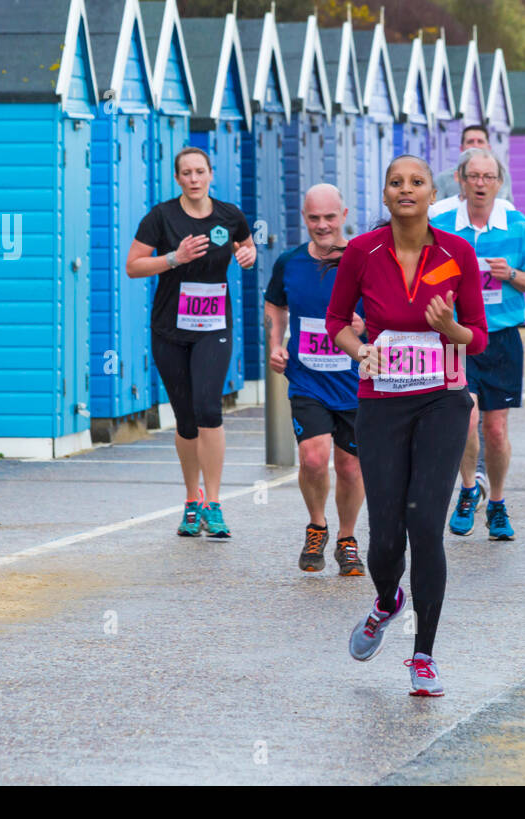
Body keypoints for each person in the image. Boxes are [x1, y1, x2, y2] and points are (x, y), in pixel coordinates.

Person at [329, 155, 487, 697]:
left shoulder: (457, 252)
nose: (406, 189)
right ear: (385, 193)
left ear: (431, 193)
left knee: (426, 526)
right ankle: (385, 602)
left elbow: (479, 338)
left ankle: (423, 654)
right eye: (396, 182)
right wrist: (360, 351)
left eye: (416, 182)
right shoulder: (361, 252)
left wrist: (451, 328)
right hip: (381, 402)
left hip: (442, 401)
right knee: (385, 538)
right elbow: (334, 323)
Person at [127, 147, 256, 539]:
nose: (194, 179)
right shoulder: (161, 216)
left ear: (210, 174)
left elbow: (244, 247)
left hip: (213, 326)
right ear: (178, 178)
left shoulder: (229, 215)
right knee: (185, 417)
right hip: (170, 328)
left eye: (200, 171)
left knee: (207, 407)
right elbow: (133, 266)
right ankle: (191, 500)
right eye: (186, 173)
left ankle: (214, 503)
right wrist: (173, 258)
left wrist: (247, 254)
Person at [433, 149, 525, 540]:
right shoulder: (441, 224)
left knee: (495, 430)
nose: (481, 183)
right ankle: (467, 490)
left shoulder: (516, 224)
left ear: (499, 182)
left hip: (501, 338)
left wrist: (509, 273)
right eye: (473, 176)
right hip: (456, 338)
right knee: (466, 417)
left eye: (488, 177)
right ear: (460, 180)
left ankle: (496, 502)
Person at [264, 184, 367, 574]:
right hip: (308, 378)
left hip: (355, 380)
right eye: (313, 218)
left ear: (343, 215)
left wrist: (366, 324)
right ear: (303, 218)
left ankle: (347, 538)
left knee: (351, 467)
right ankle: (317, 525)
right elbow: (275, 303)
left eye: (329, 217)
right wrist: (276, 342)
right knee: (313, 456)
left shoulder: (363, 260)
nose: (322, 226)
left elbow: (390, 309)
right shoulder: (289, 262)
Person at [431, 124, 513, 214]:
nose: (475, 146)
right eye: (470, 142)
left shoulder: (503, 176)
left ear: (489, 148)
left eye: (480, 141)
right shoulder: (443, 179)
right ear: (461, 148)